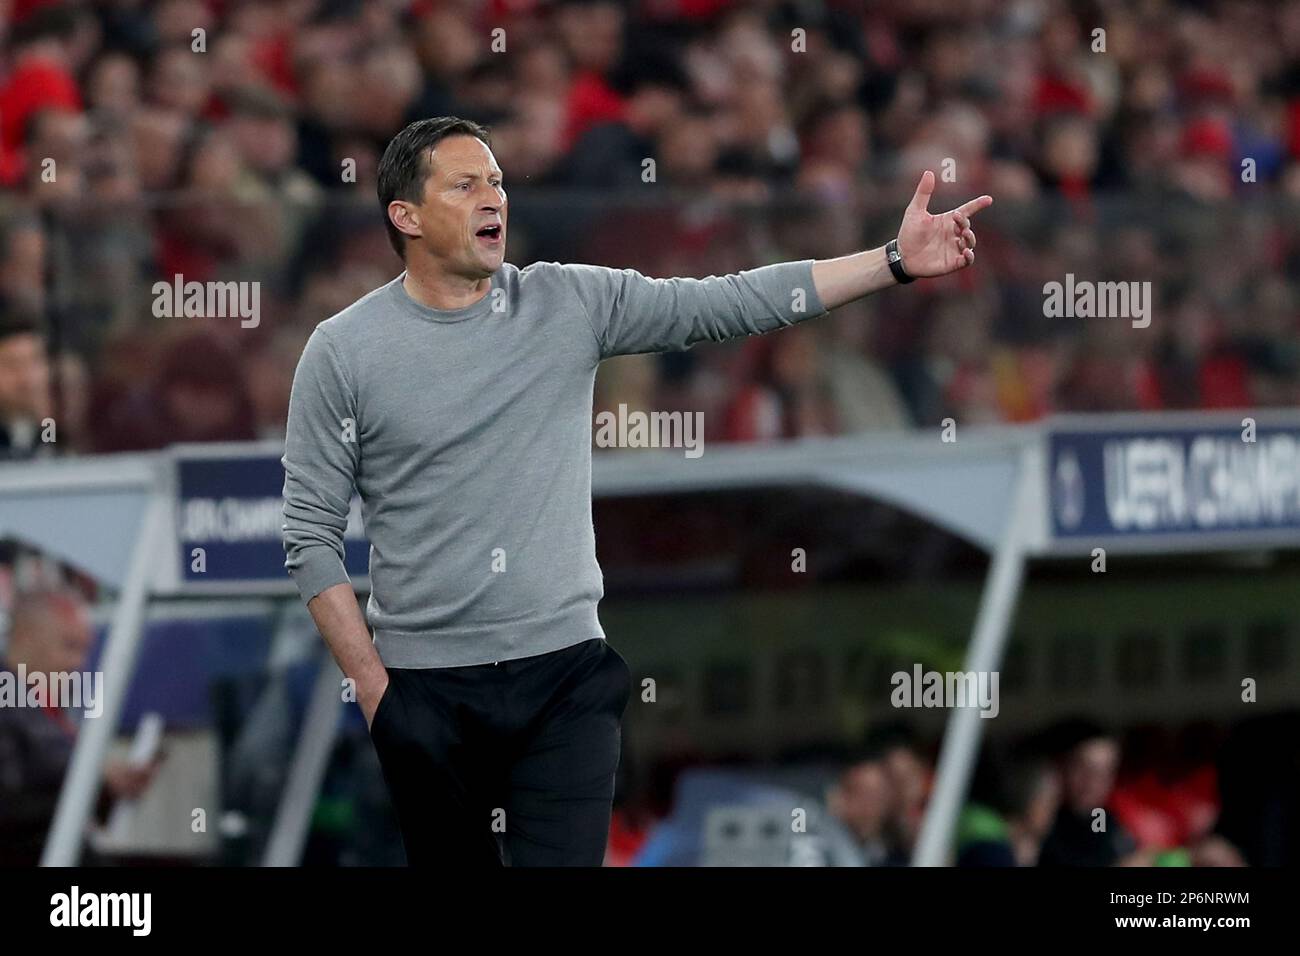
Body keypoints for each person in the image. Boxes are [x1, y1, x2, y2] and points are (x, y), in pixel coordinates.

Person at [280, 115, 992, 867]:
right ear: (407, 216)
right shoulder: (343, 351)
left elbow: (728, 302)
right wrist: (374, 690)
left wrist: (892, 262)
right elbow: (309, 534)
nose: (494, 198)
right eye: (466, 184)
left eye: (497, 181)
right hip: (426, 693)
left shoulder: (567, 303)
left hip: (565, 678)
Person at [0, 588, 160, 866]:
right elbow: (10, 808)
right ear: (26, 638)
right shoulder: (13, 708)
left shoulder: (44, 709)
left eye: (84, 650)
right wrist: (89, 783)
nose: (78, 664)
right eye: (69, 646)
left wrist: (106, 788)